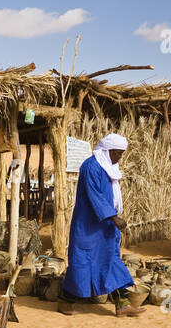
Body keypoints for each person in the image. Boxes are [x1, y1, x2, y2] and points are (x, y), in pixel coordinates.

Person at [59, 133, 146, 317]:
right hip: (88, 226)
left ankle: (122, 305)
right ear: (109, 151)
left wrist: (112, 218)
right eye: (118, 154)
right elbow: (94, 196)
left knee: (111, 261)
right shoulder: (91, 167)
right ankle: (66, 301)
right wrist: (113, 217)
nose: (120, 157)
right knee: (81, 264)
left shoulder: (108, 167)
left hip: (104, 227)